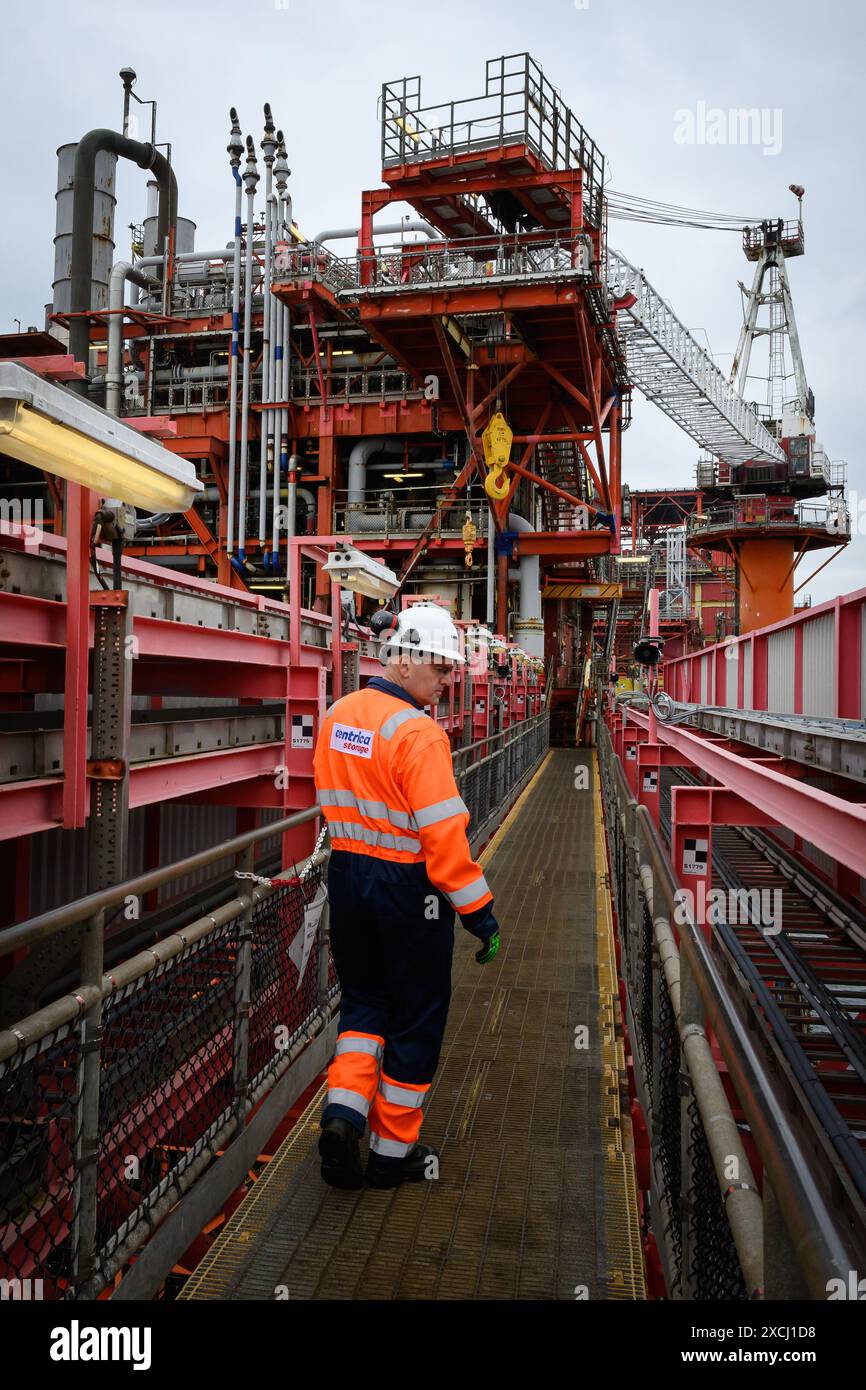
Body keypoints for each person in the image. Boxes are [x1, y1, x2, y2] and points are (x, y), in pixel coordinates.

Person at [312, 602, 501, 1191]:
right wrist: (481, 915)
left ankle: (343, 1117)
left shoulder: (339, 714)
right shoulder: (418, 734)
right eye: (442, 671)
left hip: (347, 881)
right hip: (408, 892)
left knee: (364, 1006)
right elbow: (444, 839)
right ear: (410, 659)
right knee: (416, 1018)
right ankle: (393, 1155)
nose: (447, 684)